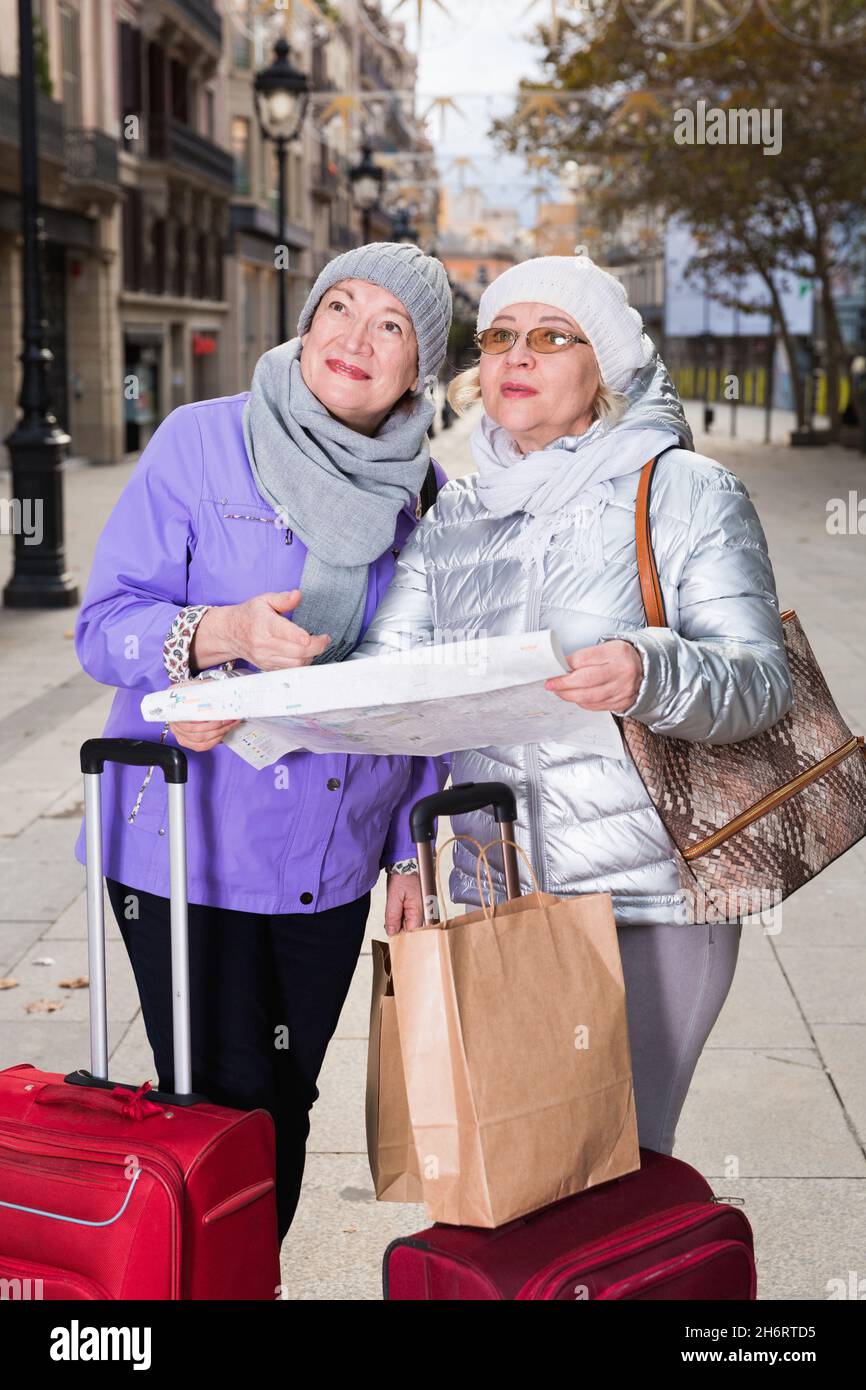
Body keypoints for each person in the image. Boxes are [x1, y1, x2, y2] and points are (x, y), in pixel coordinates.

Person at [352, 246, 794, 1157]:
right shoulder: (457, 514)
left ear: (609, 369)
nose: (517, 356)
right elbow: (381, 683)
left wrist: (650, 671)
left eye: (552, 337)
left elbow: (761, 680)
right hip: (488, 892)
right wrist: (250, 696)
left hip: (648, 899)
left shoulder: (684, 492)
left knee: (619, 1171)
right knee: (507, 1173)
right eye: (501, 336)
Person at [73, 242, 451, 1245]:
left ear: (420, 366)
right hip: (186, 843)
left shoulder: (430, 496)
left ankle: (230, 1275)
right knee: (220, 1103)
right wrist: (215, 636)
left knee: (283, 1102)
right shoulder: (203, 440)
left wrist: (413, 844)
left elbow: (433, 693)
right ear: (306, 316)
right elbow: (102, 622)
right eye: (339, 306)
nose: (353, 337)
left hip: (328, 859)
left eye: (390, 325)